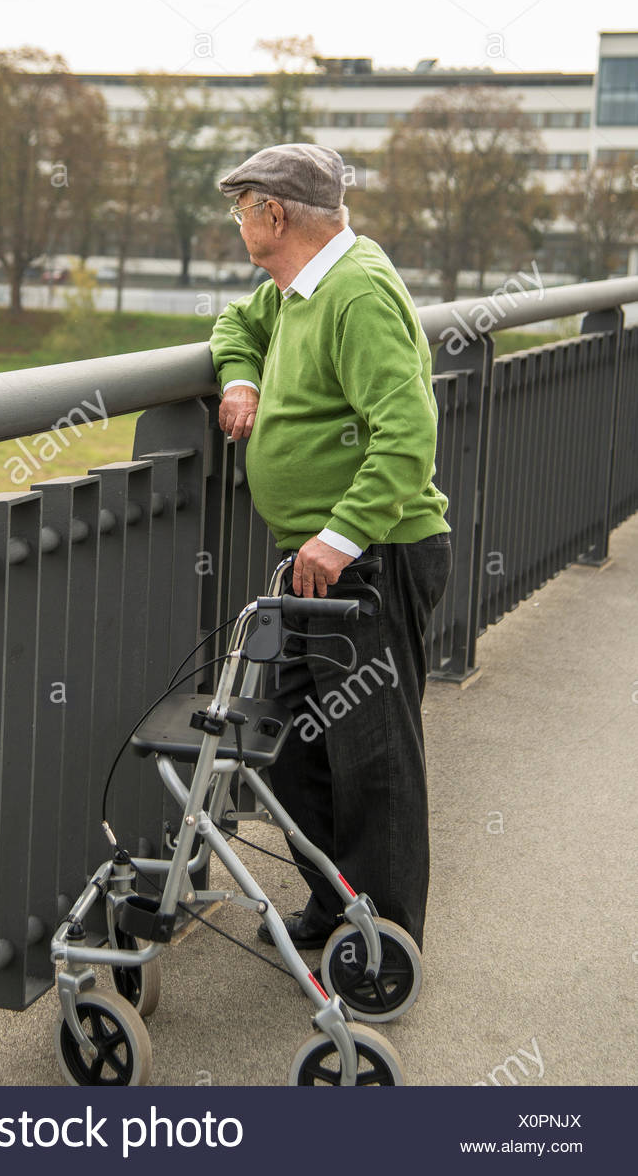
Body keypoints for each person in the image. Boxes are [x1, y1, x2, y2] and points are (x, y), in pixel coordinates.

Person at [209, 143, 452, 951]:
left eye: (241, 209)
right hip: (315, 565)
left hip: (367, 560)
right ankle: (337, 901)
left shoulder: (354, 293)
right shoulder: (295, 289)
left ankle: (383, 944)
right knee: (288, 744)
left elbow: (408, 430)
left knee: (371, 761)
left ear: (273, 215)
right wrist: (241, 376)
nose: (237, 223)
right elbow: (233, 323)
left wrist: (340, 536)